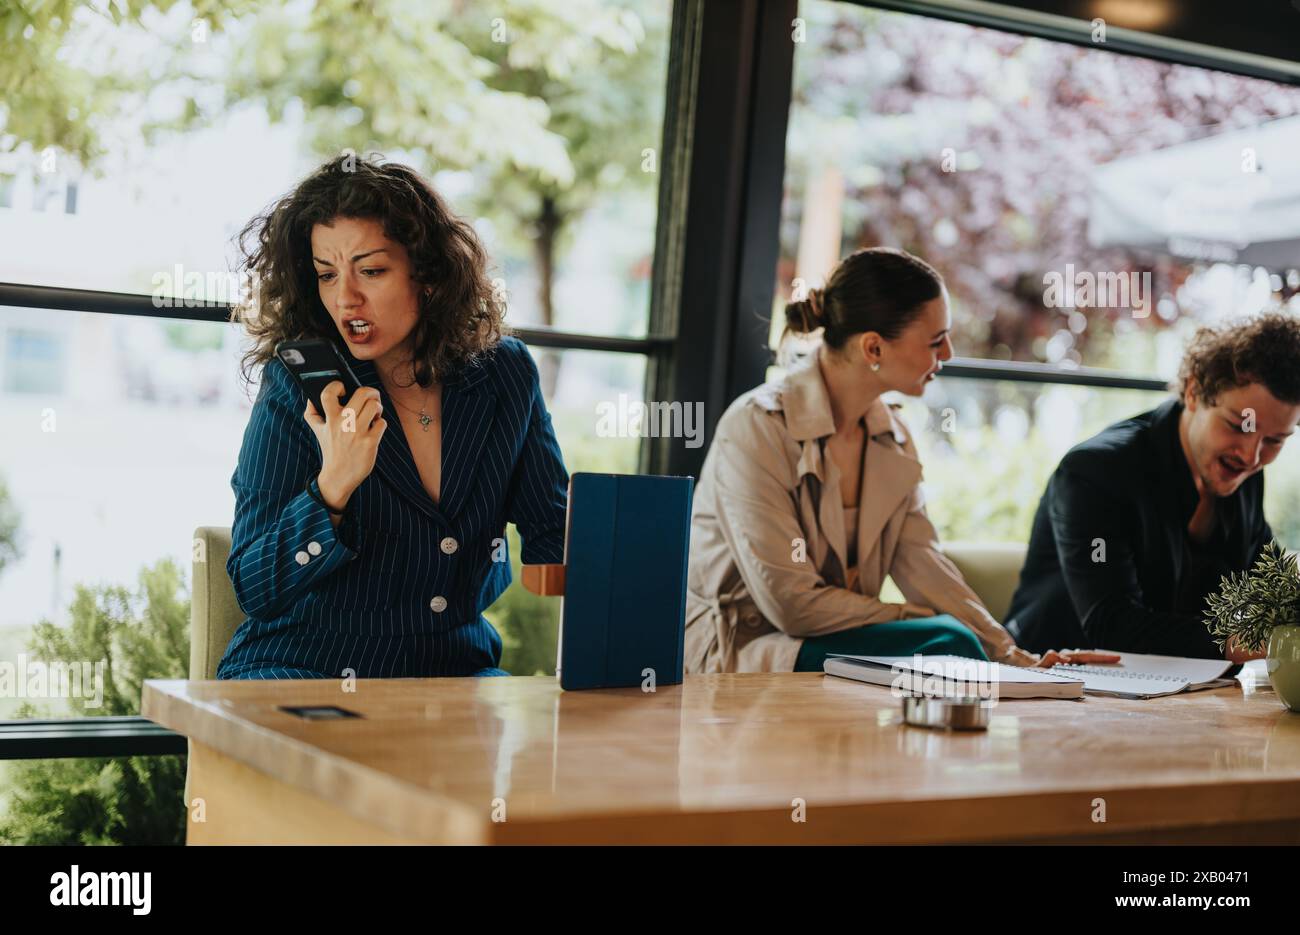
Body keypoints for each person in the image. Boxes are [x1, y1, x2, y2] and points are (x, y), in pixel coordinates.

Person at [217, 154, 568, 679]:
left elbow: (553, 535)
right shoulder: (296, 386)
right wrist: (333, 486)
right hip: (305, 666)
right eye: (326, 275)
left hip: (454, 671)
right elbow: (255, 589)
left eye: (372, 271)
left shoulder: (504, 374)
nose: (346, 298)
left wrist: (626, 547)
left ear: (427, 274)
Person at [685, 247, 1107, 673]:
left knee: (951, 641)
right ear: (873, 348)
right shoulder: (757, 428)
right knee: (946, 641)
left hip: (833, 644)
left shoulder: (894, 437)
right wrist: (919, 618)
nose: (949, 353)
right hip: (746, 650)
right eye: (935, 340)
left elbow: (923, 567)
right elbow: (790, 604)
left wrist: (1013, 655)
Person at [1007, 313, 1300, 661]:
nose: (1252, 456)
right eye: (1238, 426)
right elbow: (1112, 625)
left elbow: (1272, 591)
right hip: (1052, 684)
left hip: (1177, 695)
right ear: (1194, 392)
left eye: (1275, 440)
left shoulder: (1244, 474)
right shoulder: (1095, 472)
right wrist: (1239, 641)